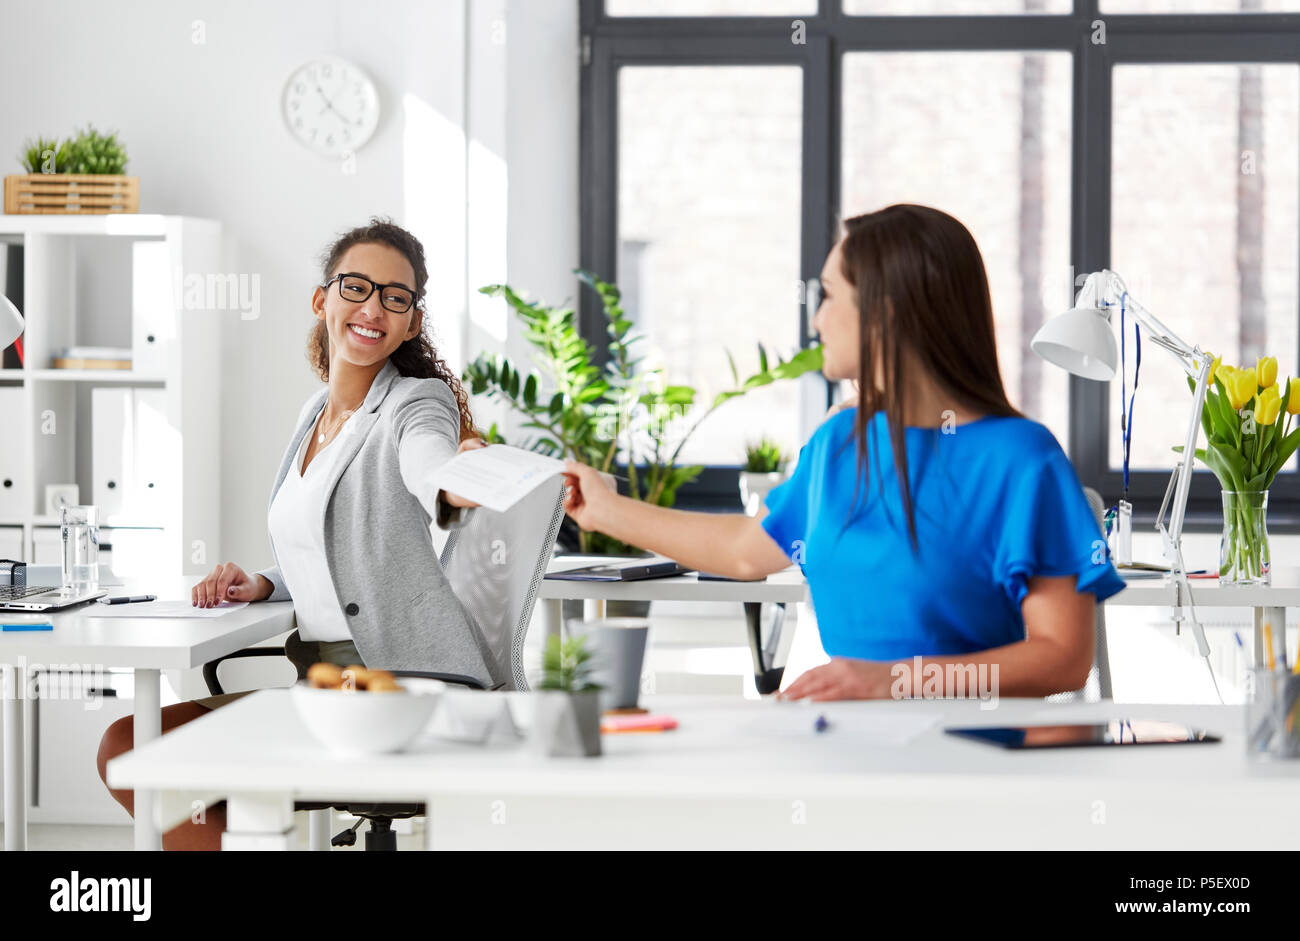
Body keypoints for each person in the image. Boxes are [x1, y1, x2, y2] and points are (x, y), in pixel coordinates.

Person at [560, 204, 1125, 702]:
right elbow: (744, 551)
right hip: (843, 750)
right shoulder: (839, 444)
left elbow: (1063, 659)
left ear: (888, 313)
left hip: (972, 768)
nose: (815, 319)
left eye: (829, 296)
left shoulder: (1022, 461)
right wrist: (605, 508)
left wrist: (897, 681)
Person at [96, 217, 489, 849]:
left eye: (396, 297)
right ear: (322, 299)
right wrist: (261, 583)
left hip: (398, 684)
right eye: (356, 287)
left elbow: (432, 466)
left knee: (152, 753)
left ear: (411, 321)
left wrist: (459, 480)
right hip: (324, 684)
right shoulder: (314, 413)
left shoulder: (418, 403)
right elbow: (331, 553)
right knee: (128, 744)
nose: (373, 308)